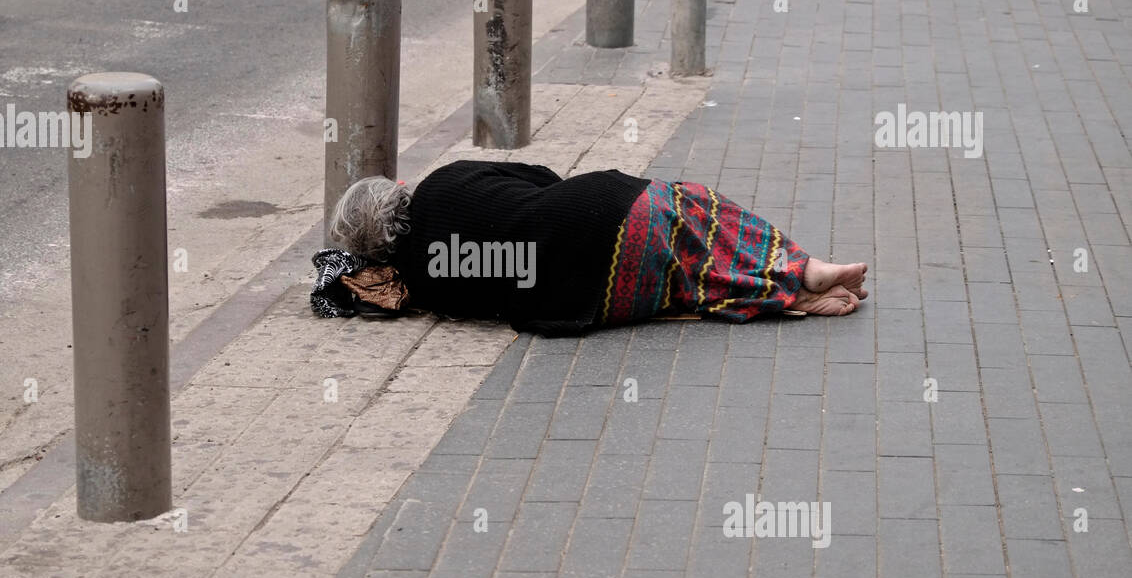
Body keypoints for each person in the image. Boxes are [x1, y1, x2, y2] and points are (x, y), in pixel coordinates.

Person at [327, 160, 867, 335]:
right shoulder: (444, 180)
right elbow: (542, 176)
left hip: (584, 296)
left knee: (678, 283)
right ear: (399, 191)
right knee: (699, 215)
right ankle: (802, 267)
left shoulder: (423, 281)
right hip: (595, 207)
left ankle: (785, 297)